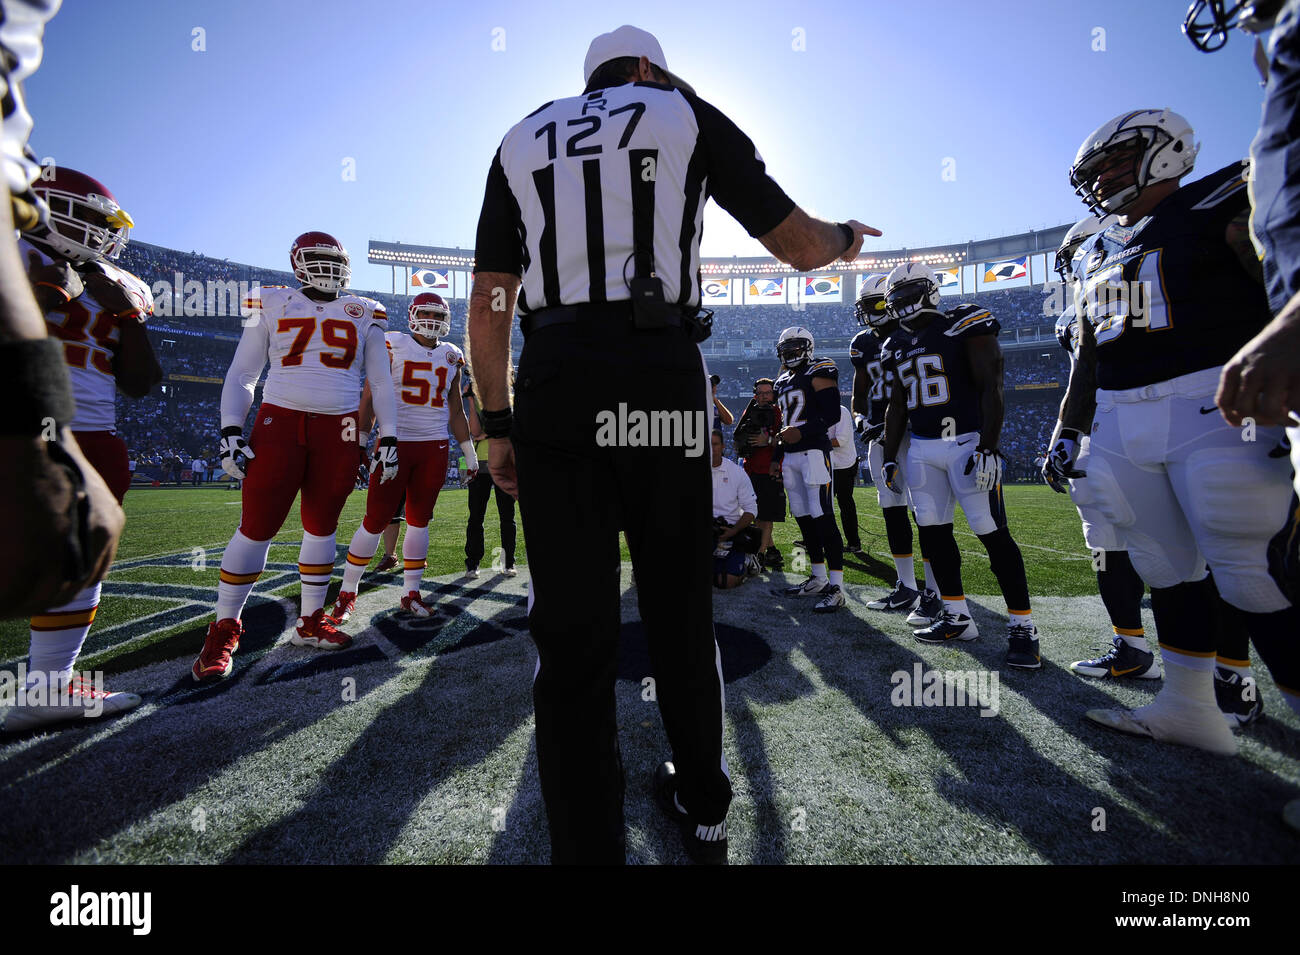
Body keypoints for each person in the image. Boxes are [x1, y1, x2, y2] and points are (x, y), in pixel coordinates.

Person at [467, 23, 877, 865]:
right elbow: (797, 245)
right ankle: (703, 807)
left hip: (557, 379)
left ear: (588, 82)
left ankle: (587, 842)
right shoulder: (680, 111)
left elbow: (488, 304)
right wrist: (843, 236)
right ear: (650, 68)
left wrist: (496, 426)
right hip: (659, 377)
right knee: (679, 611)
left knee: (571, 630)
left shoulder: (521, 135)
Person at [1057, 108, 1299, 752]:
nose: (1102, 180)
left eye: (1113, 161)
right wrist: (1067, 428)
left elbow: (1279, 285)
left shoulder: (1226, 197)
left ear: (1166, 150)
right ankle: (1188, 708)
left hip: (1213, 402)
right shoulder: (1097, 248)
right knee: (1163, 565)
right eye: (1096, 170)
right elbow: (1088, 352)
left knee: (1253, 567)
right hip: (1117, 415)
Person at [190, 231, 400, 682]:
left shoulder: (366, 311)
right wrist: (230, 428)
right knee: (256, 526)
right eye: (317, 257)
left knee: (322, 526)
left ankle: (309, 621)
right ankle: (225, 627)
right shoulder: (270, 300)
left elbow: (380, 382)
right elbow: (244, 372)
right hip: (279, 421)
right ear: (296, 262)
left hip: (339, 428)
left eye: (333, 258)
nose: (327, 266)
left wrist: (390, 435)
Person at [4, 166, 161, 731]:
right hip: (17, 420)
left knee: (82, 556)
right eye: (94, 219)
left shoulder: (121, 283)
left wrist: (125, 313)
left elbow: (141, 382)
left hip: (94, 431)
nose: (104, 233)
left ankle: (47, 684)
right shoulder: (12, 251)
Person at [878, 262, 1040, 670]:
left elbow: (992, 385)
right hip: (922, 449)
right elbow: (897, 405)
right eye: (894, 296)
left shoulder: (964, 321)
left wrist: (989, 446)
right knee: (932, 534)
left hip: (966, 442)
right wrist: (889, 452)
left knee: (991, 533)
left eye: (907, 292)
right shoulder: (894, 342)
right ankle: (957, 615)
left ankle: (1023, 628)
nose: (899, 302)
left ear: (931, 290)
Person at [331, 292, 476, 621]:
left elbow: (456, 411)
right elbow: (369, 396)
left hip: (435, 446)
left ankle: (411, 592)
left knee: (420, 521)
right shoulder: (391, 343)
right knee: (375, 519)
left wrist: (468, 453)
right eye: (426, 313)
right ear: (411, 315)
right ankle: (347, 593)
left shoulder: (452, 354)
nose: (433, 320)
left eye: (438, 315)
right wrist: (361, 442)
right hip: (395, 443)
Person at [850, 276, 943, 623]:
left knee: (925, 511)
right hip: (879, 433)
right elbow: (859, 393)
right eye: (865, 307)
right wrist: (860, 420)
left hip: (914, 430)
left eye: (876, 305)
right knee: (891, 508)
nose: (870, 314)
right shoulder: (861, 344)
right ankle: (906, 585)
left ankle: (935, 589)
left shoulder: (909, 335)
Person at [772, 326, 848, 613]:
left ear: (808, 347)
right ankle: (817, 577)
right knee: (804, 519)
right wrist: (776, 457)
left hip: (814, 452)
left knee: (823, 517)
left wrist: (801, 434)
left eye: (796, 347)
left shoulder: (820, 369)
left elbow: (830, 414)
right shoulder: (782, 381)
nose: (791, 352)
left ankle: (837, 586)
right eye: (787, 348)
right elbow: (784, 425)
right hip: (791, 457)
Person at [463, 369, 517, 578]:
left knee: (507, 517)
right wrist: (470, 399)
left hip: (504, 463)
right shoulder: (477, 399)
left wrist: (487, 434)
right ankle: (473, 563)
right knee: (476, 517)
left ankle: (508, 562)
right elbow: (475, 432)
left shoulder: (512, 398)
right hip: (481, 464)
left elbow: (513, 429)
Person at [732, 377, 784, 570]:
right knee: (754, 513)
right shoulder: (750, 409)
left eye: (767, 393)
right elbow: (739, 435)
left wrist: (768, 440)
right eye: (760, 393)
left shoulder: (779, 412)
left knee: (765, 516)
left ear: (773, 394)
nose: (763, 397)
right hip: (750, 468)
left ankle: (759, 556)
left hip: (770, 468)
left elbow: (786, 442)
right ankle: (771, 551)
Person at [710, 431, 759, 588]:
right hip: (703, 532)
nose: (712, 448)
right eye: (708, 444)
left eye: (715, 444)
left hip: (731, 530)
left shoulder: (736, 472)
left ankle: (747, 561)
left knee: (726, 582)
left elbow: (751, 510)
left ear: (723, 446)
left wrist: (734, 531)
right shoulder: (692, 471)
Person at [828, 404, 861, 556]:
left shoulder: (840, 410)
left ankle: (854, 542)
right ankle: (820, 539)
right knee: (821, 504)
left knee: (845, 503)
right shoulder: (817, 410)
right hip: (826, 462)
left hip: (843, 464)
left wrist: (813, 441)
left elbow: (840, 440)